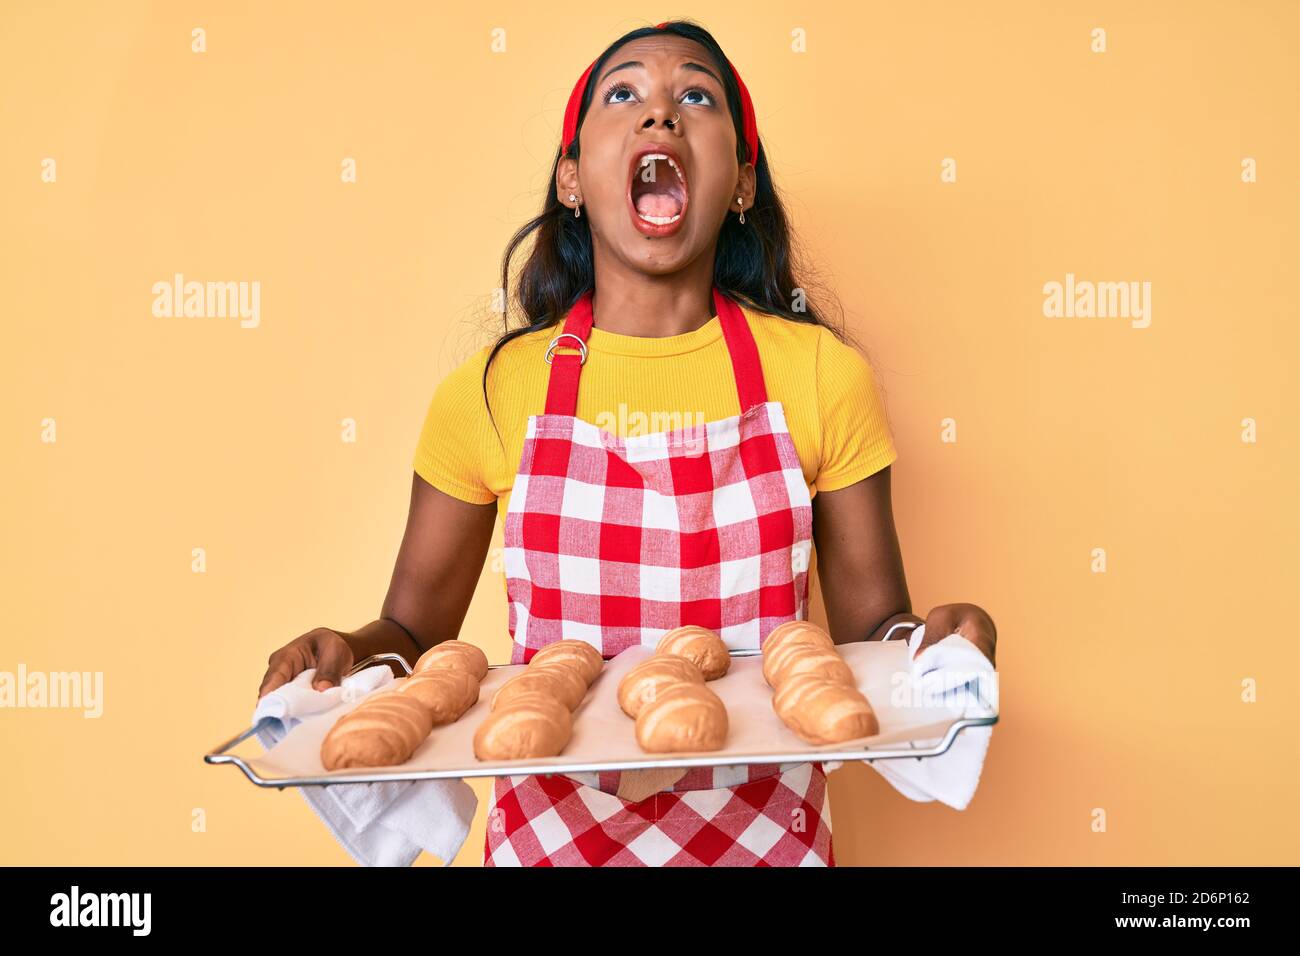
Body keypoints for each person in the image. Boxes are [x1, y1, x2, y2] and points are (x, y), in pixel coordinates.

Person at [257, 19, 997, 867]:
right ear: (572, 178)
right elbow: (412, 634)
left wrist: (933, 647)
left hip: (768, 843)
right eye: (623, 95)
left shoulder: (822, 376)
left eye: (696, 96)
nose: (660, 116)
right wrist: (349, 654)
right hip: (550, 842)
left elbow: (871, 635)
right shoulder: (494, 392)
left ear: (742, 181)